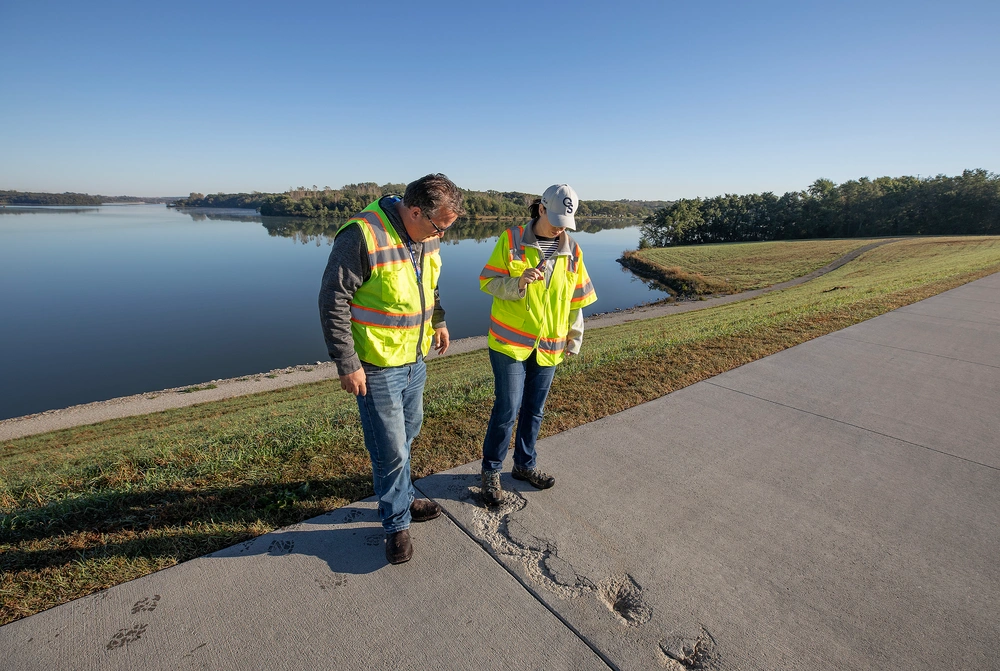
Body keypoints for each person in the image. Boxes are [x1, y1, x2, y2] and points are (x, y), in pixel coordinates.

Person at [318, 173, 465, 564]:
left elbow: (428, 284)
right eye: (440, 226)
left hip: (414, 358)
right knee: (391, 448)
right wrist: (347, 363)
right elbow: (332, 299)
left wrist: (439, 320)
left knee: (408, 434)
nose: (443, 235)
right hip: (377, 364)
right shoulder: (361, 236)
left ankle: (404, 496)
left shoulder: (426, 234)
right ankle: (396, 524)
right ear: (415, 211)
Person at [478, 184, 597, 506]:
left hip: (550, 345)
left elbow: (577, 300)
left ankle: (524, 466)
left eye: (566, 221)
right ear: (541, 209)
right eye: (555, 217)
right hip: (509, 344)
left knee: (534, 409)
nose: (560, 227)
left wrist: (575, 338)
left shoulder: (572, 250)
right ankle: (490, 471)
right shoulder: (511, 239)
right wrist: (517, 283)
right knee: (507, 408)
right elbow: (488, 282)